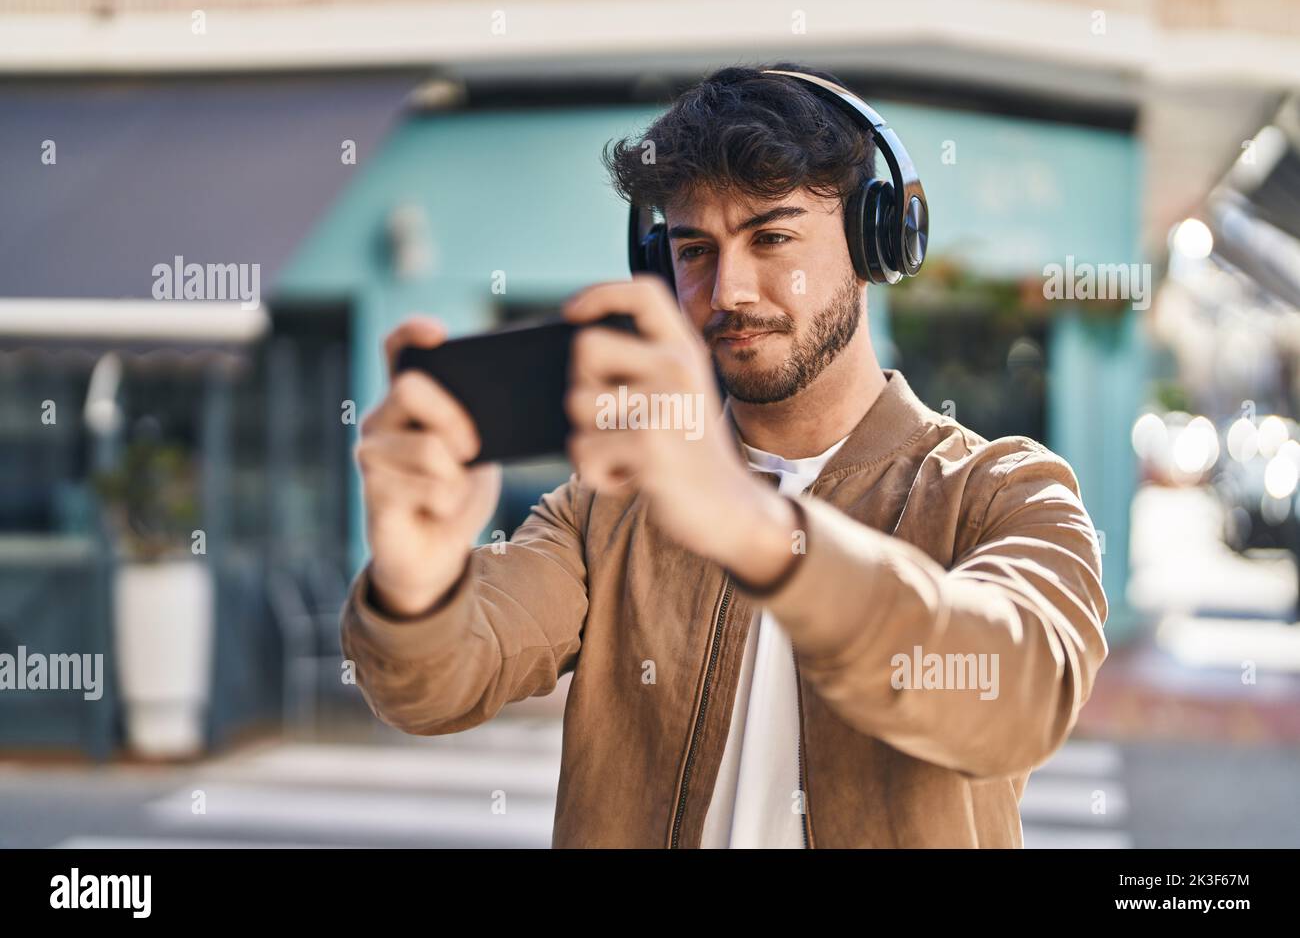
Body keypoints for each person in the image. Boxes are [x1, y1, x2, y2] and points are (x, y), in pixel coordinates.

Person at [340, 62, 1108, 848]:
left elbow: (1017, 697)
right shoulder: (608, 504)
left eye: (772, 236)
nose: (728, 291)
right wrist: (416, 579)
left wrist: (753, 525)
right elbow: (431, 688)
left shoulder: (1006, 491)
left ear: (873, 243)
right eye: (694, 250)